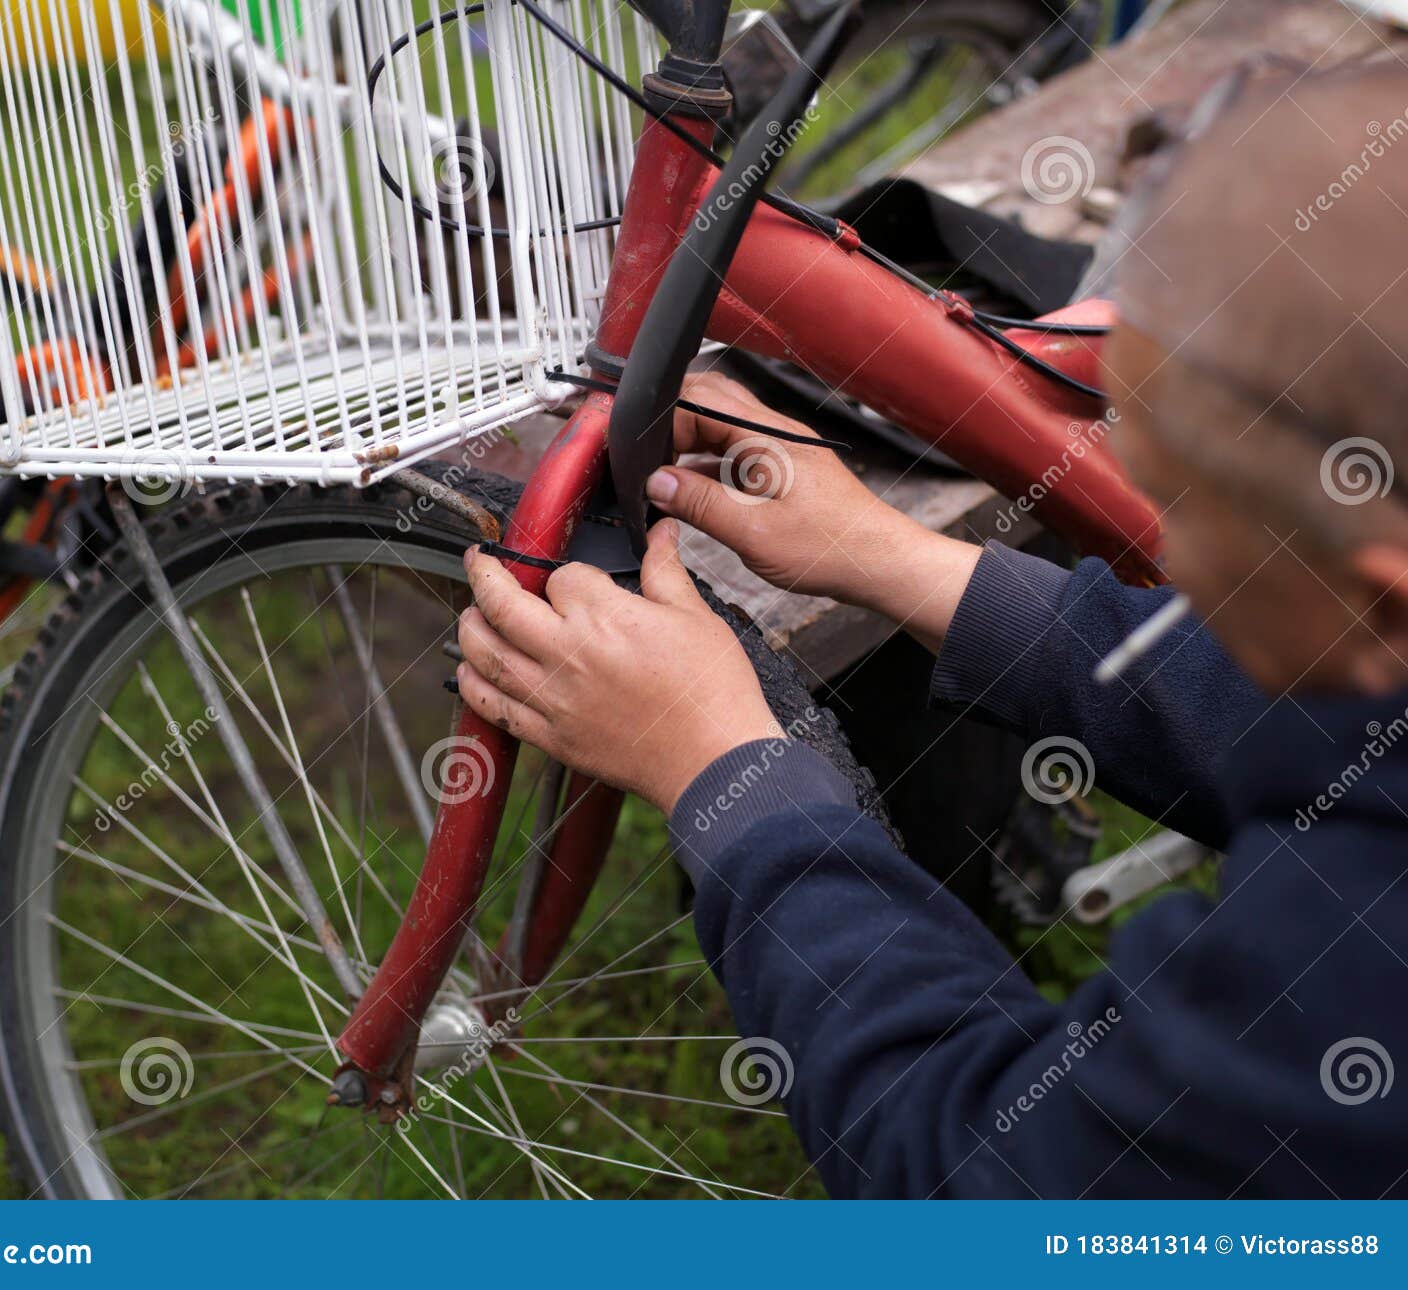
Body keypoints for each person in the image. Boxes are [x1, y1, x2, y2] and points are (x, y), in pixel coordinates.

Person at [453, 60, 1408, 1196]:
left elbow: (988, 1188)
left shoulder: (1345, 976)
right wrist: (892, 559)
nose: (1156, 543)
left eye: (1186, 511)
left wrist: (727, 778)